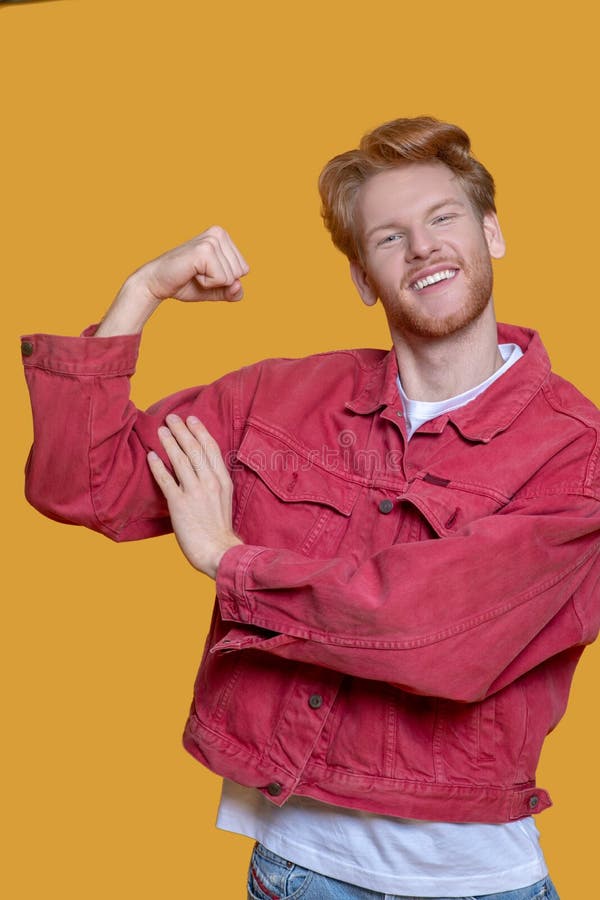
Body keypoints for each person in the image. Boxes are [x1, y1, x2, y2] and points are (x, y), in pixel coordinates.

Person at [21, 117, 600, 900]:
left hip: (474, 882)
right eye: (389, 237)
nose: (422, 247)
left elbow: (433, 637)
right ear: (363, 277)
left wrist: (230, 560)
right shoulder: (278, 399)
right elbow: (84, 486)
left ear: (490, 232)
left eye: (442, 218)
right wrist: (141, 294)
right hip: (296, 872)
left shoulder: (575, 453)